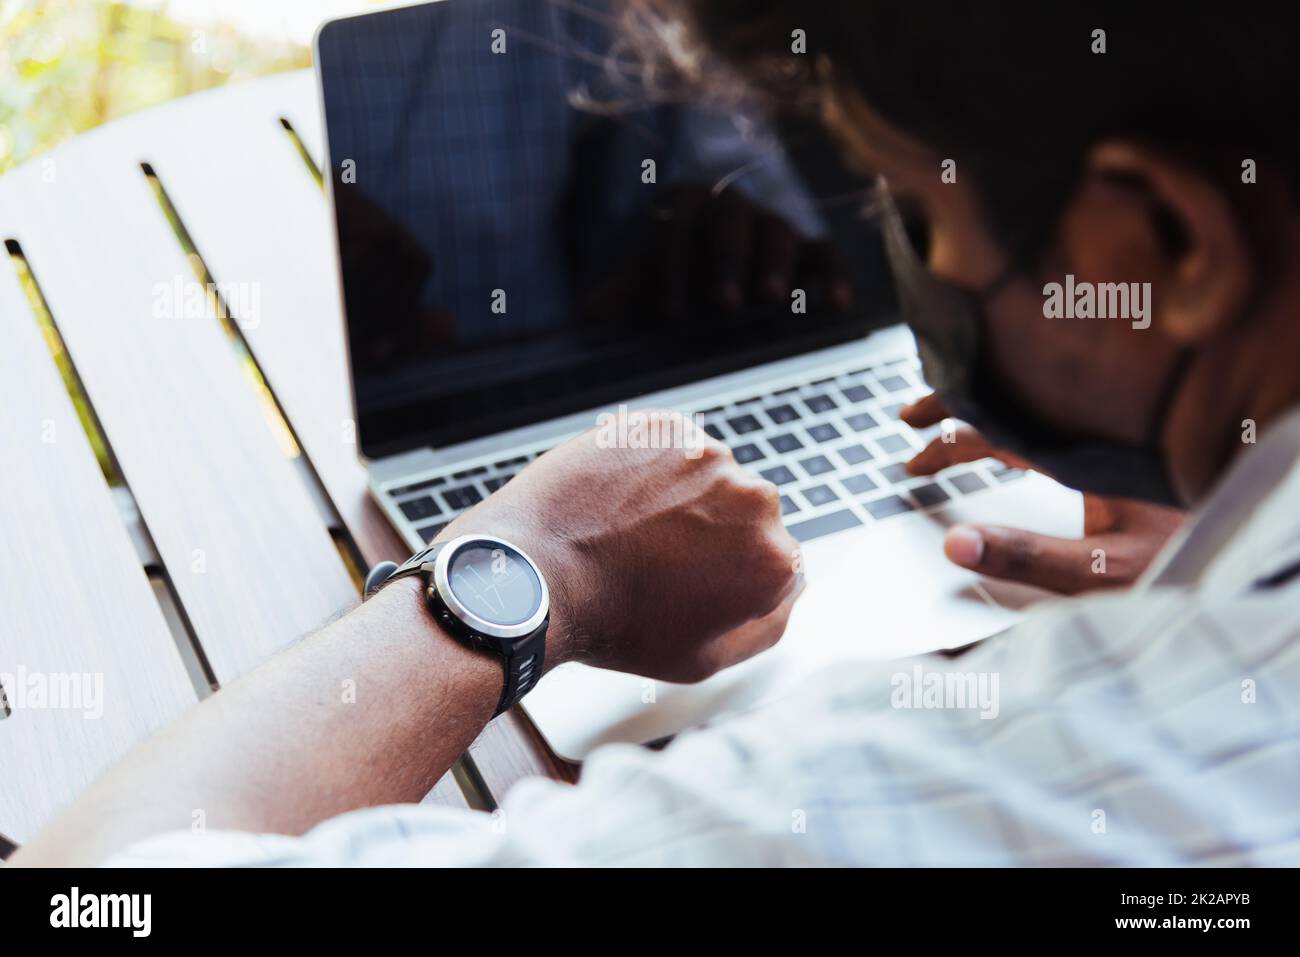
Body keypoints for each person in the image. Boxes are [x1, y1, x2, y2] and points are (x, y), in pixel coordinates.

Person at [12, 1, 1300, 866]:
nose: (923, 272)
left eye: (914, 209)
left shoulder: (1025, 779)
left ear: (1170, 245)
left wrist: (535, 561)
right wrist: (1232, 533)